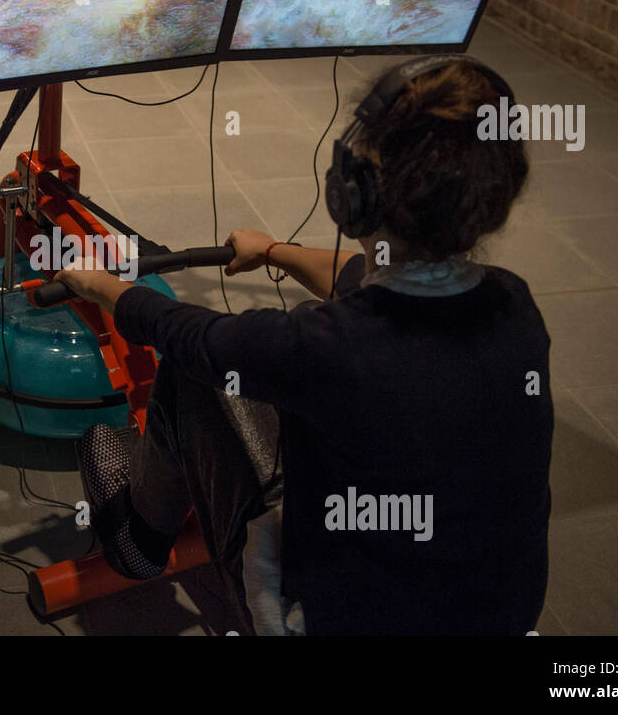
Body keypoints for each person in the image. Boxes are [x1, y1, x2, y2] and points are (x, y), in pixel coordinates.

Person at [54, 56, 553, 635]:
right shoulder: (514, 303)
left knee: (192, 371)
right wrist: (274, 252)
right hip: (492, 618)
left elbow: (188, 333)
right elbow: (368, 278)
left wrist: (97, 284)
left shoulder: (328, 345)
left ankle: (138, 542)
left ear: (356, 195)